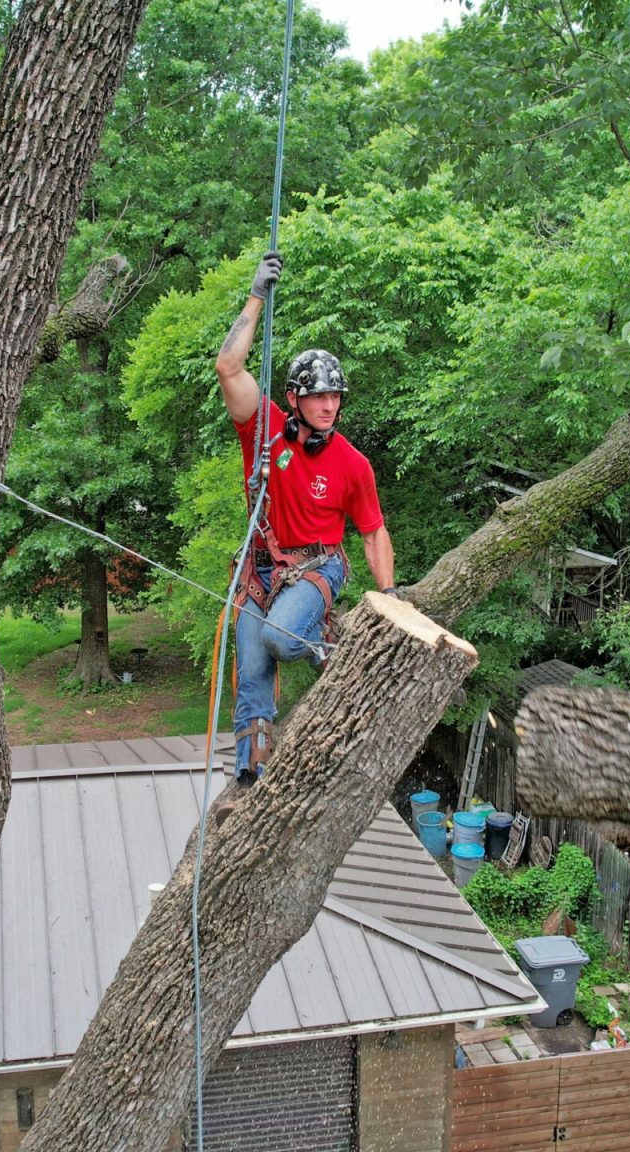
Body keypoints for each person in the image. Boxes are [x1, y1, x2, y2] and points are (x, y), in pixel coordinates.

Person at [212, 250, 396, 785]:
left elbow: (373, 531)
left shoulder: (352, 463)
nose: (328, 406)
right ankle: (251, 772)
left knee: (283, 639)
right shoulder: (264, 429)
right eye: (318, 396)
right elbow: (229, 367)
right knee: (251, 673)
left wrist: (389, 595)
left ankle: (332, 646)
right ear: (294, 398)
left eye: (335, 397)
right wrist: (256, 295)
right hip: (262, 569)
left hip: (319, 567)